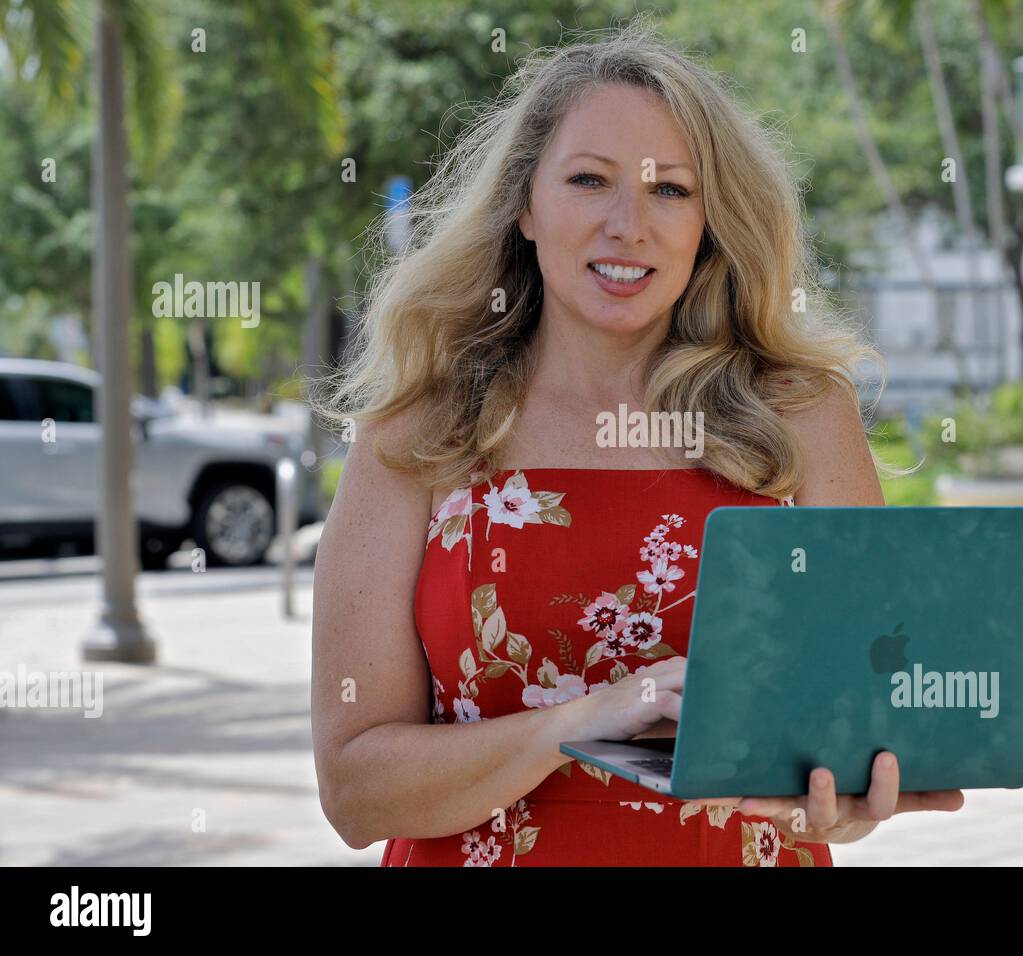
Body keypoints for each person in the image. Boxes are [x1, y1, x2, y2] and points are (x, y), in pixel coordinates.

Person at [311, 22, 963, 867]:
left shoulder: (801, 414)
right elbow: (354, 791)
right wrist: (580, 722)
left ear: (709, 221)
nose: (630, 225)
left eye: (671, 191)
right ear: (526, 205)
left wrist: (844, 807)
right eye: (590, 180)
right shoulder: (421, 433)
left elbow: (851, 732)